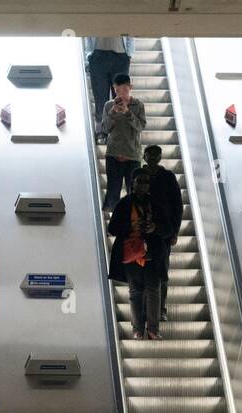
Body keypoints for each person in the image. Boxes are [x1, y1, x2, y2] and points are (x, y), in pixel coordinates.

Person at [107, 170, 164, 340]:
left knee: (154, 290)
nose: (143, 185)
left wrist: (155, 228)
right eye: (140, 181)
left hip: (152, 253)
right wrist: (131, 227)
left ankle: (153, 329)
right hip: (131, 253)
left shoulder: (156, 203)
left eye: (146, 182)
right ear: (133, 183)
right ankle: (138, 329)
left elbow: (167, 226)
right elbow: (112, 229)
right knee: (135, 292)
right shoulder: (124, 203)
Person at [143, 144, 184, 328]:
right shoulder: (137, 175)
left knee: (162, 272)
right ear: (144, 156)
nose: (153, 159)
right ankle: (146, 309)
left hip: (164, 233)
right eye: (150, 155)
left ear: (160, 158)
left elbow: (177, 205)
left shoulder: (168, 177)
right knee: (141, 271)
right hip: (141, 233)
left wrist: (175, 231)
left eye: (156, 156)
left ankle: (160, 309)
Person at [100, 74, 146, 211]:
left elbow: (140, 127)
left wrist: (127, 113)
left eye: (124, 90)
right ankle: (111, 225)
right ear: (114, 89)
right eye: (117, 90)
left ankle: (134, 224)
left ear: (130, 88)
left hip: (132, 155)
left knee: (134, 192)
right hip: (113, 154)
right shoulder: (109, 105)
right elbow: (105, 129)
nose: (121, 94)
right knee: (113, 191)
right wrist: (113, 112)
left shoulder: (138, 105)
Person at [85, 36, 133, 129]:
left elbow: (130, 28)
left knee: (120, 97)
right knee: (100, 96)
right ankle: (101, 130)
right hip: (98, 54)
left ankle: (119, 128)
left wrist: (129, 54)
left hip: (121, 55)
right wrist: (90, 54)